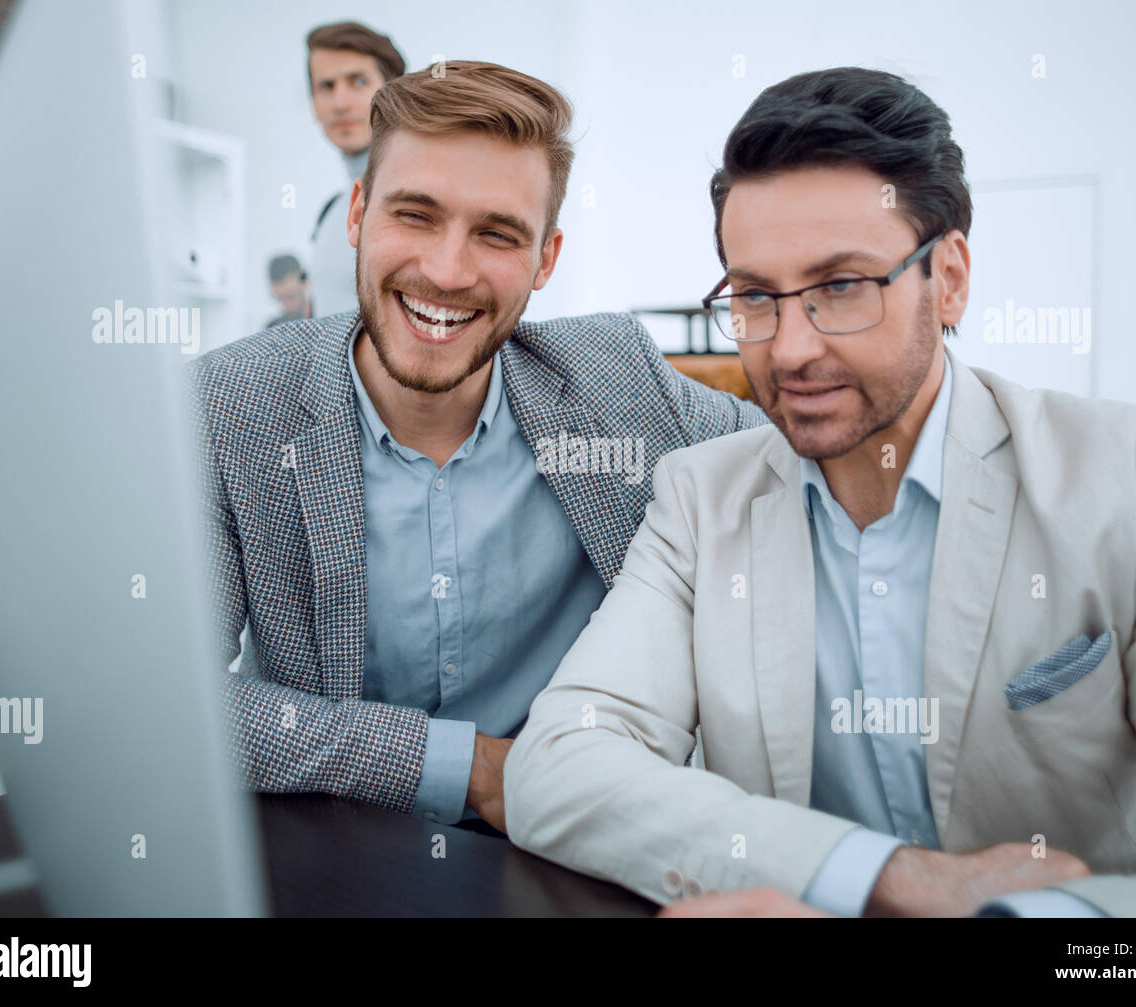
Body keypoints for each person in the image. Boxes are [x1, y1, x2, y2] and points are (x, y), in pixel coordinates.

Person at [504, 67, 1136, 917]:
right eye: (756, 297)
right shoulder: (700, 501)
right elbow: (556, 765)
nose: (790, 349)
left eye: (841, 286)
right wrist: (881, 876)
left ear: (949, 277)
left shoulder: (1125, 475)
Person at [184, 62, 766, 834]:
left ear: (545, 259)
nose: (447, 270)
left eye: (497, 233)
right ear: (357, 214)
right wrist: (465, 768)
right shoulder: (229, 405)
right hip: (337, 853)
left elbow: (801, 457)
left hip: (576, 855)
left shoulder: (619, 377)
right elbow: (166, 696)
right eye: (415, 215)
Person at [305, 21, 405, 317]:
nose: (340, 103)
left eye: (358, 82)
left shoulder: (424, 201)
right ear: (313, 103)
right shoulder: (331, 212)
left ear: (396, 92)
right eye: (326, 86)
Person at [264, 253, 312, 326]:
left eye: (290, 296)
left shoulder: (326, 318)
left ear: (305, 282)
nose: (286, 305)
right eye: (280, 298)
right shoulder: (273, 327)